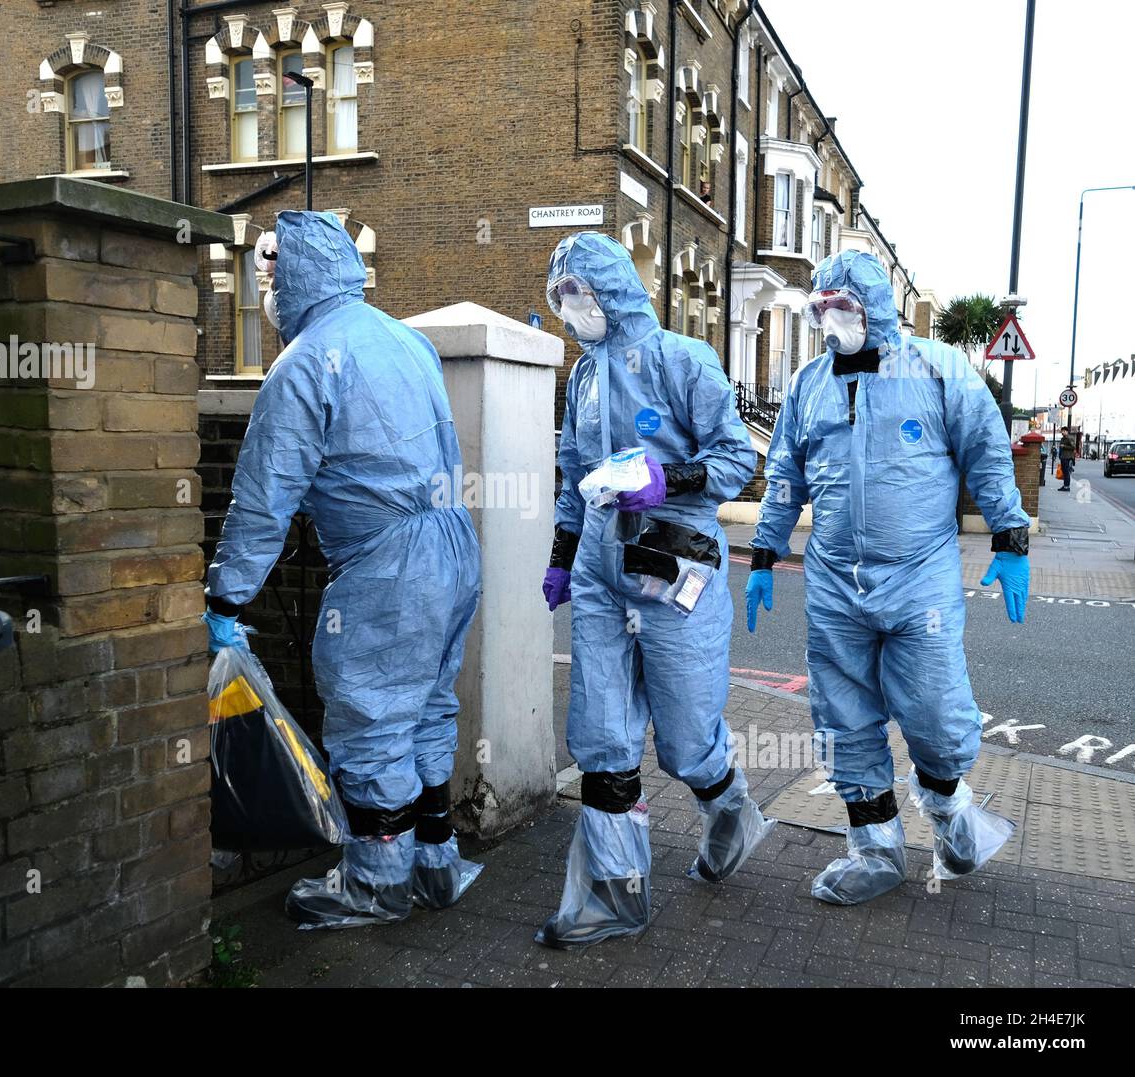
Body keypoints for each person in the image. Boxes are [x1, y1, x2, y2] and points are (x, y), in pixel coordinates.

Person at [204, 211, 483, 928]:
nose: (266, 286)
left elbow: (264, 497)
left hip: (387, 563)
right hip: (453, 544)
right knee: (426, 708)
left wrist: (226, 599)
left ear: (297, 276)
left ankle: (377, 882)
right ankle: (436, 860)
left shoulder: (302, 364)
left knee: (371, 719)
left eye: (271, 272)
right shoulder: (405, 338)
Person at [745, 250, 1028, 905]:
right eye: (821, 308)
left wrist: (1011, 536)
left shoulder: (937, 369)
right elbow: (784, 474)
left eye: (841, 306)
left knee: (932, 709)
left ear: (873, 306)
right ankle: (874, 850)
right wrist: (764, 551)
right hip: (835, 585)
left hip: (920, 577)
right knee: (842, 720)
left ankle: (953, 813)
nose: (829, 319)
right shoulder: (810, 383)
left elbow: (986, 452)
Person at [538, 231, 772, 948]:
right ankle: (613, 896)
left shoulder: (682, 359)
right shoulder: (581, 378)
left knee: (683, 738)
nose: (571, 310)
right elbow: (575, 480)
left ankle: (727, 803)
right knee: (602, 736)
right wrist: (562, 553)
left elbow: (736, 455)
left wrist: (670, 480)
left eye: (578, 294)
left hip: (677, 569)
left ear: (610, 290)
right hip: (604, 575)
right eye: (561, 299)